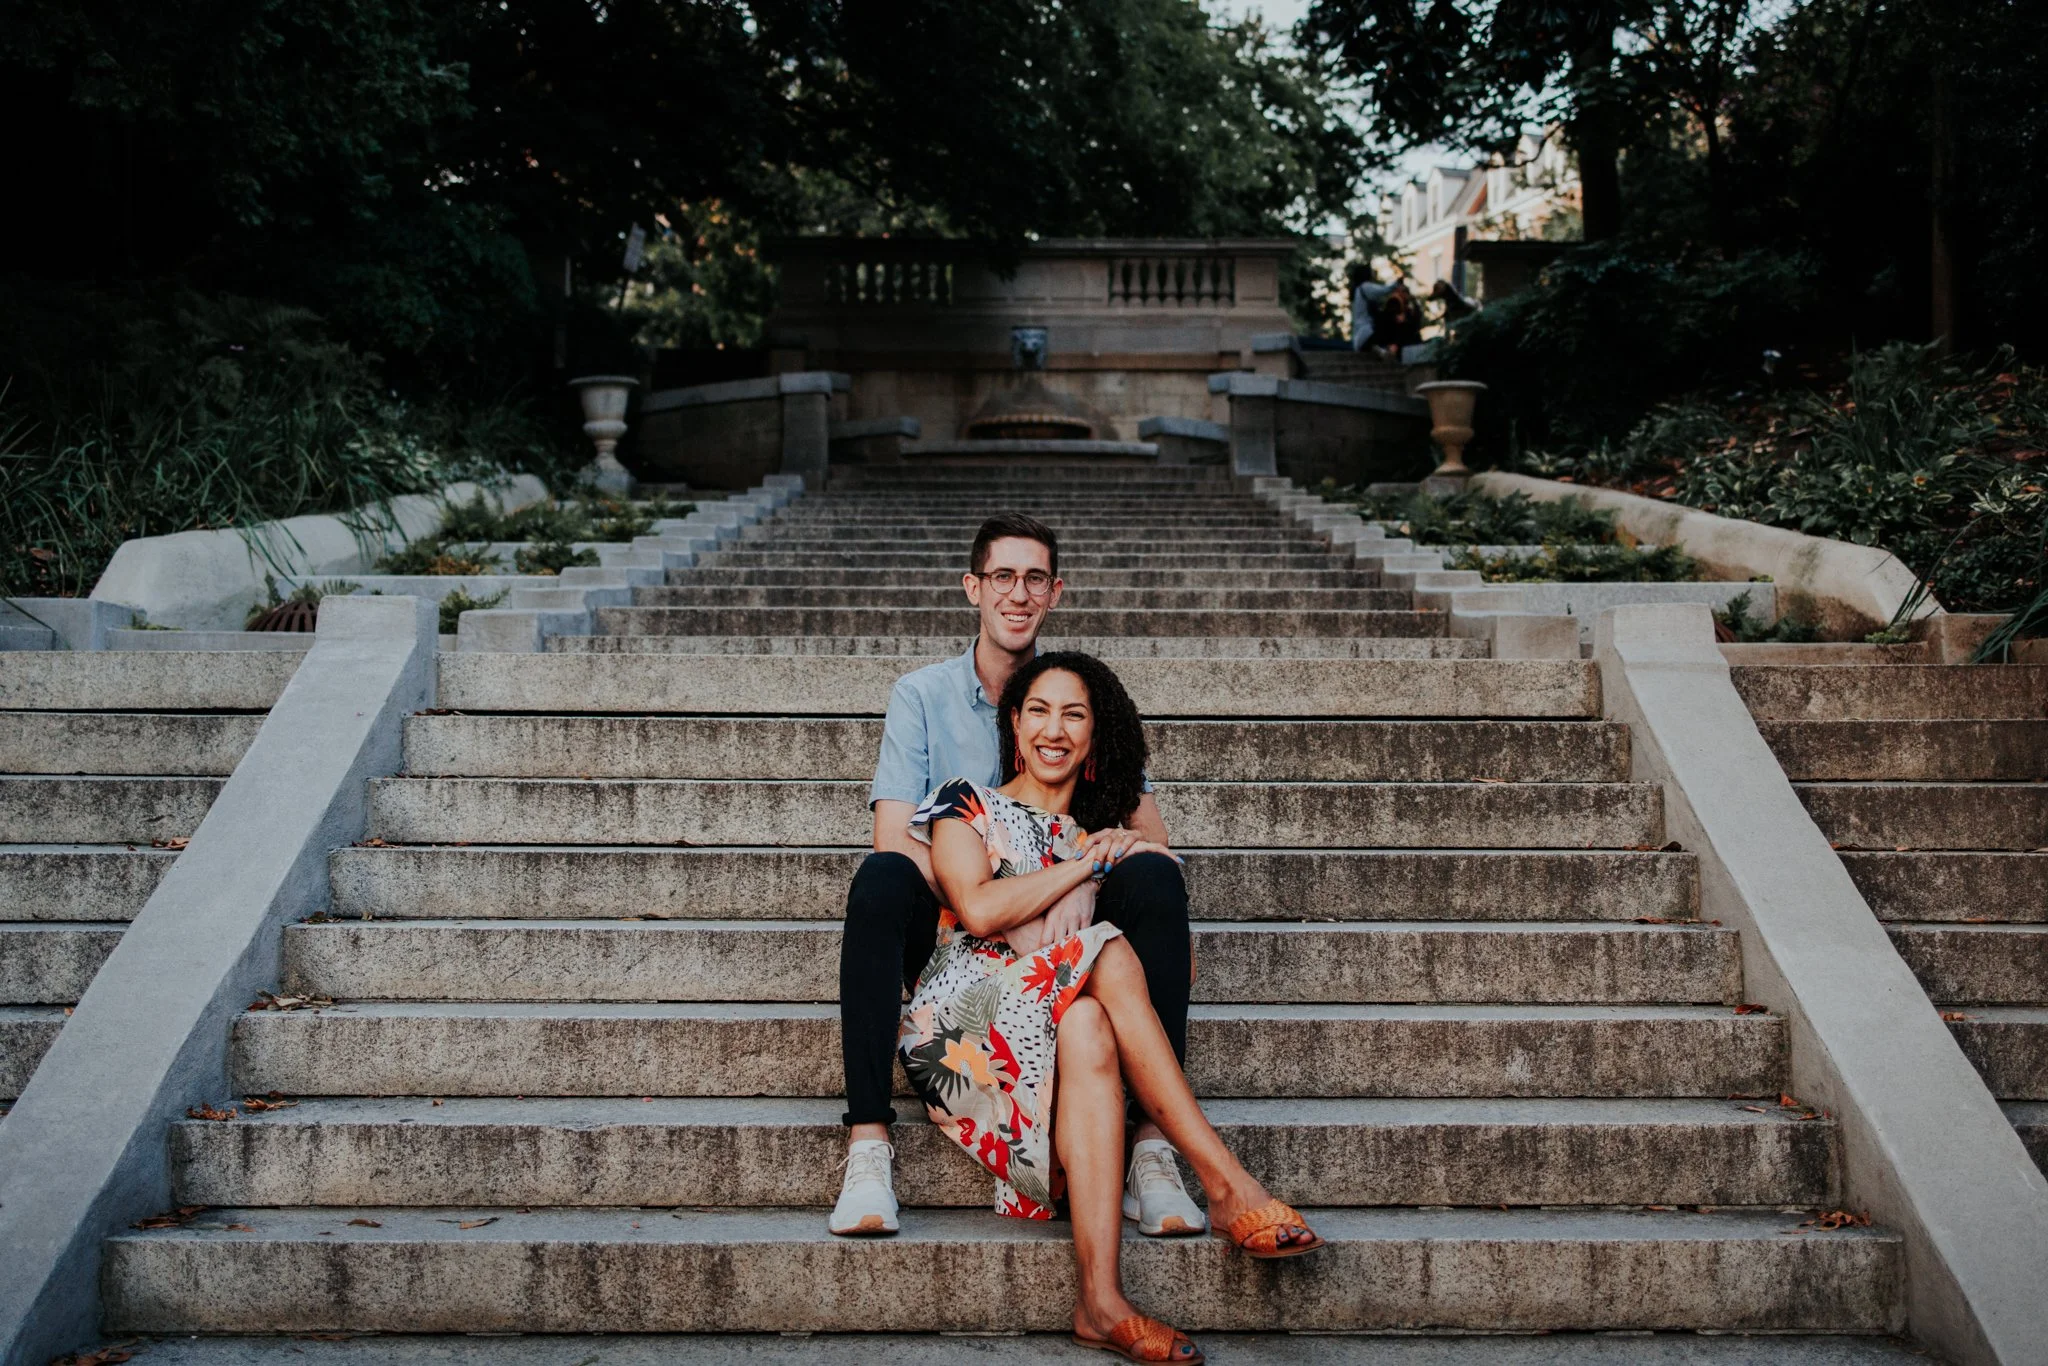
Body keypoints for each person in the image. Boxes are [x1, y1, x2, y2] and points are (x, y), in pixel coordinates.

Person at [902, 652, 1322, 1364]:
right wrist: (1077, 874)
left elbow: (1156, 892)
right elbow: (977, 907)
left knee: (1090, 1020)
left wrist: (1105, 860)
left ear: (1096, 736)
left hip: (1054, 1015)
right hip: (962, 1023)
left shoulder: (1105, 838)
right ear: (1013, 721)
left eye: (1074, 715)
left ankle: (1100, 1302)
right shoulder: (966, 800)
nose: (1054, 729)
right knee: (1110, 952)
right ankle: (1225, 1181)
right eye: (1038, 710)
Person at [831, 513, 1203, 1241]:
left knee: (1155, 885)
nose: (1018, 593)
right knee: (879, 880)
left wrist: (1081, 877)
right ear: (974, 587)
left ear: (1055, 592)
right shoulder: (924, 696)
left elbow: (1151, 839)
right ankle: (868, 1143)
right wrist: (994, 910)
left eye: (1035, 578)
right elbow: (892, 836)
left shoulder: (1073, 695)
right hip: (953, 935)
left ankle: (1152, 1150)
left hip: (1064, 924)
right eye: (1003, 576)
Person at [1349, 262, 1396, 352]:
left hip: (1358, 338)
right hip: (1367, 332)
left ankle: (1379, 349)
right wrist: (1397, 283)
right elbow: (1384, 290)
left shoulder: (1356, 290)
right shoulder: (1365, 287)